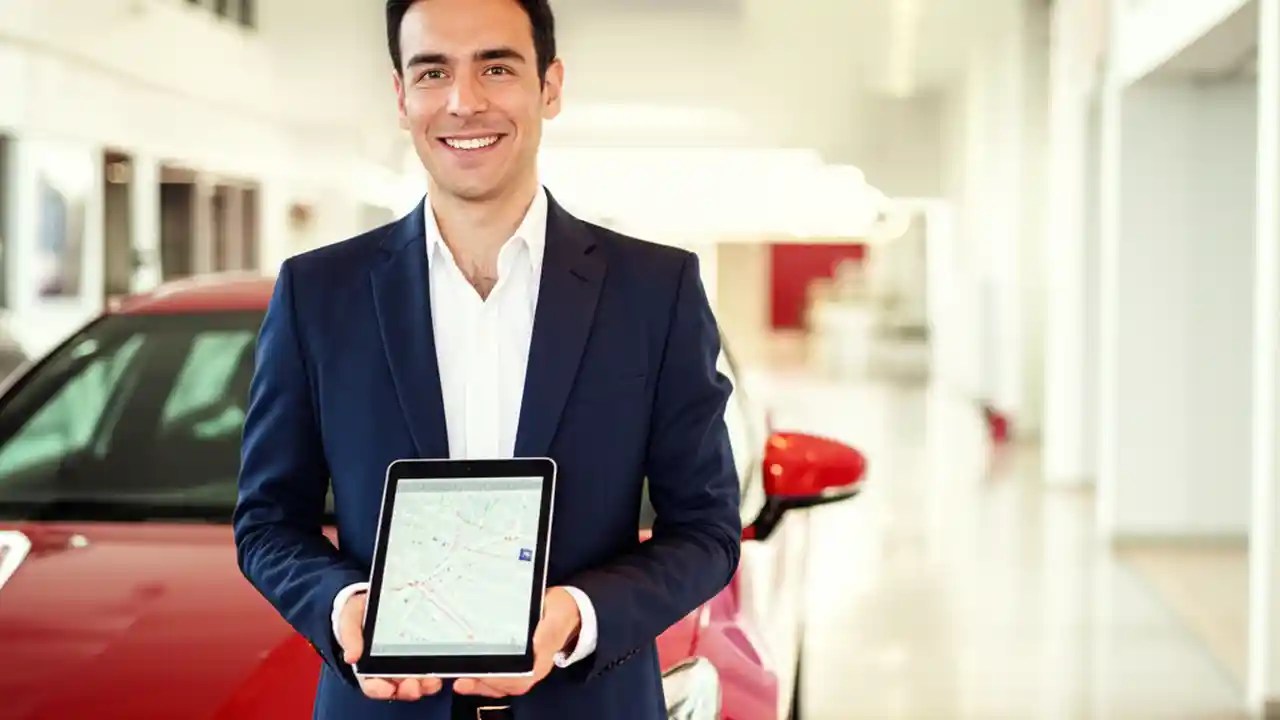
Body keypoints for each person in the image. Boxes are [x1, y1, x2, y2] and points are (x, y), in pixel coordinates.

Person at [232, 0, 742, 718]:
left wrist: (577, 613)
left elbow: (707, 531)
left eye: (496, 67)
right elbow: (266, 523)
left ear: (550, 86)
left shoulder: (654, 292)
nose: (464, 102)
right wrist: (344, 606)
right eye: (433, 71)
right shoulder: (320, 295)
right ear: (402, 96)